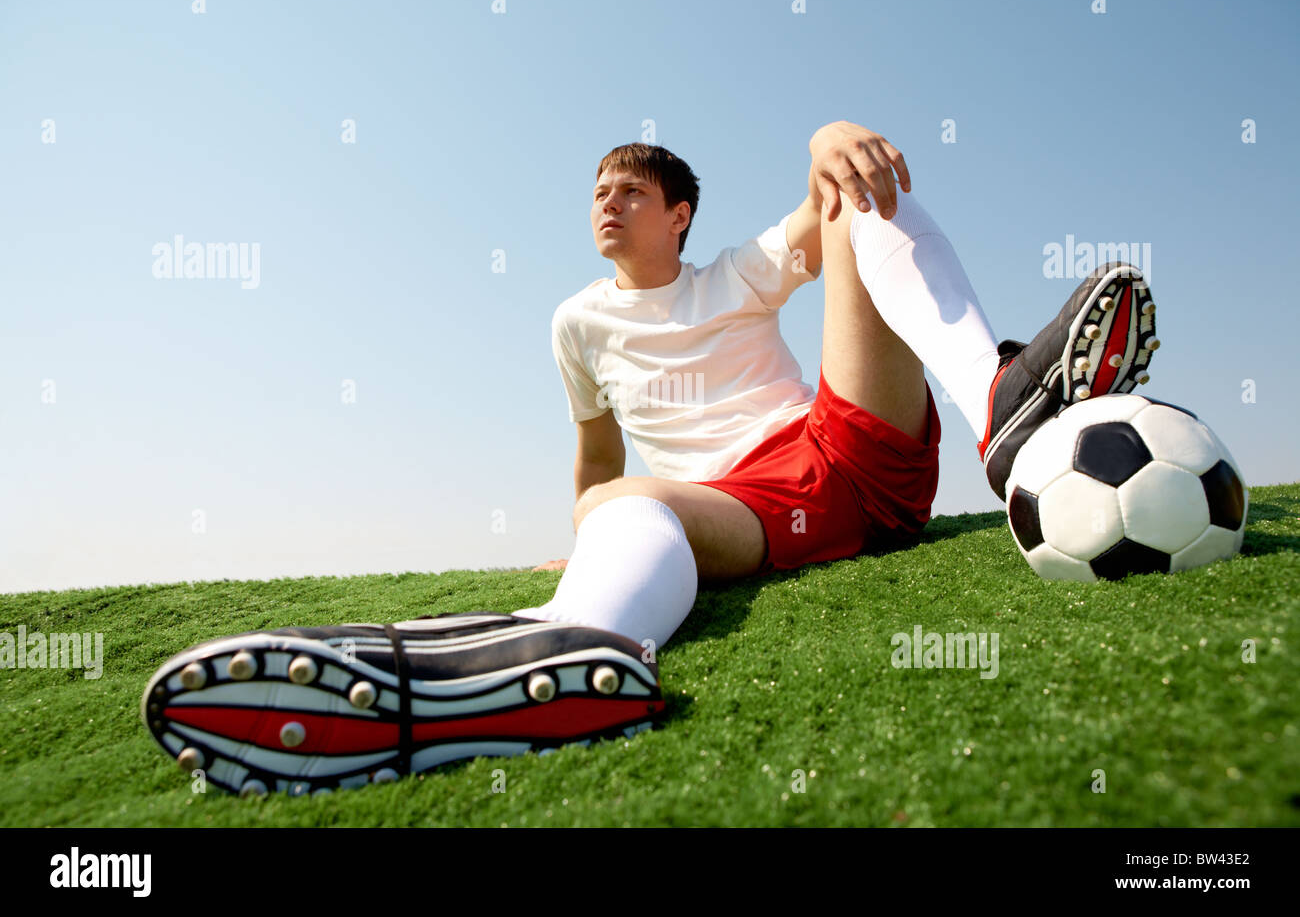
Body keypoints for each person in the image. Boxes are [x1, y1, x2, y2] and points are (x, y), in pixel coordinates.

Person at [142, 121, 1157, 795]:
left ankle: (999, 396)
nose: (607, 202)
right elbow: (596, 455)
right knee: (628, 502)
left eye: (630, 190)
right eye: (598, 190)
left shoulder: (735, 275)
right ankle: (575, 634)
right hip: (729, 507)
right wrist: (591, 533)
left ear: (677, 215)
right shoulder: (574, 323)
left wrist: (823, 136)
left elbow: (818, 200)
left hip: (842, 451)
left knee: (853, 192)